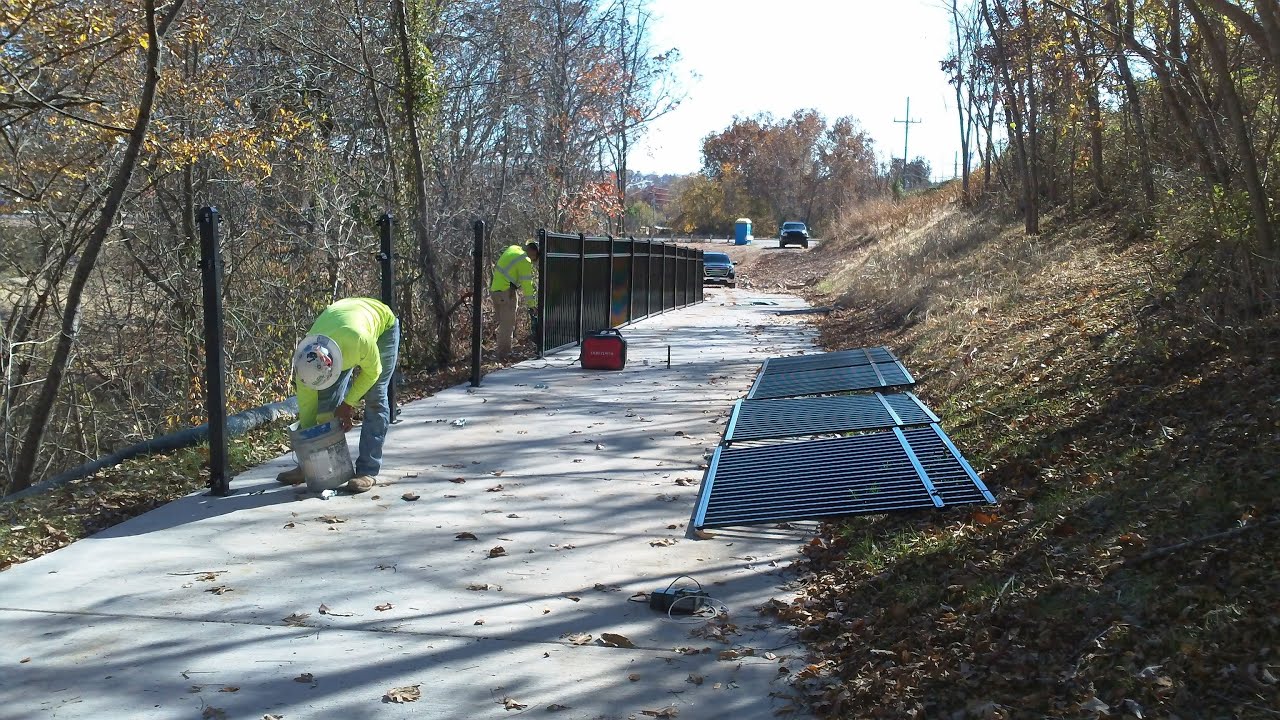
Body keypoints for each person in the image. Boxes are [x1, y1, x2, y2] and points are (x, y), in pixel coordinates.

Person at [276, 297, 399, 494]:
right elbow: (308, 411)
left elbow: (373, 373)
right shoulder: (305, 366)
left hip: (382, 326)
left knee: (376, 398)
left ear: (331, 367)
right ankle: (311, 468)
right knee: (324, 403)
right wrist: (308, 454)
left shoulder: (359, 340)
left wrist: (348, 404)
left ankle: (367, 471)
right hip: (338, 328)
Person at [490, 241, 540, 358]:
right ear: (533, 251)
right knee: (508, 325)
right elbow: (527, 285)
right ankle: (503, 354)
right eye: (535, 257)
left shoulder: (513, 248)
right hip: (506, 291)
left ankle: (499, 350)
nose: (534, 261)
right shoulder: (524, 260)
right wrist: (532, 305)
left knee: (502, 322)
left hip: (495, 290)